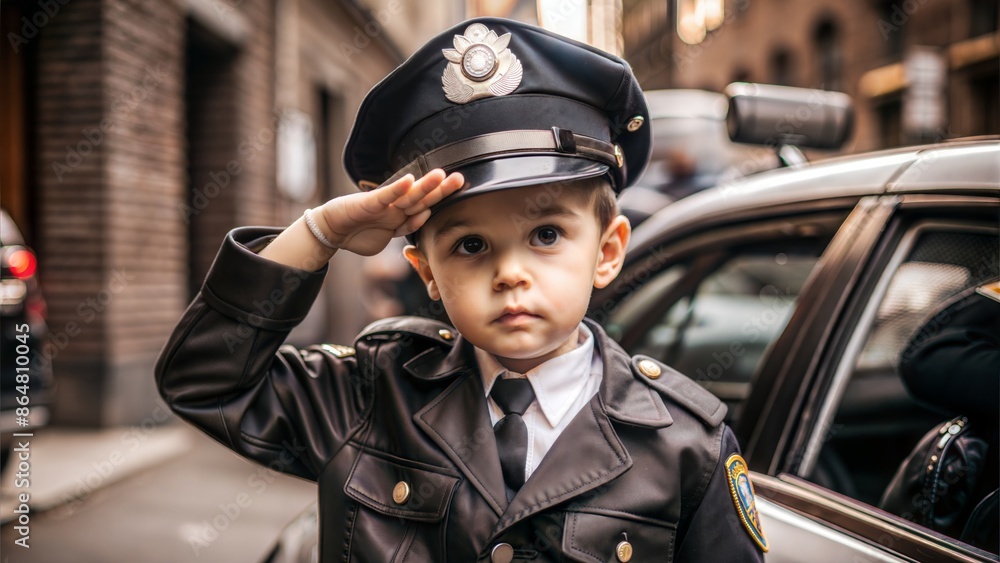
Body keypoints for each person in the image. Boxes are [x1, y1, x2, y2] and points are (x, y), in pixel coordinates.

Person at [156, 18, 767, 562]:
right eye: (470, 246)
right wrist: (319, 232)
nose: (510, 273)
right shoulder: (374, 394)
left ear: (606, 252)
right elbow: (204, 380)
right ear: (427, 273)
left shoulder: (685, 444)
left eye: (547, 233)